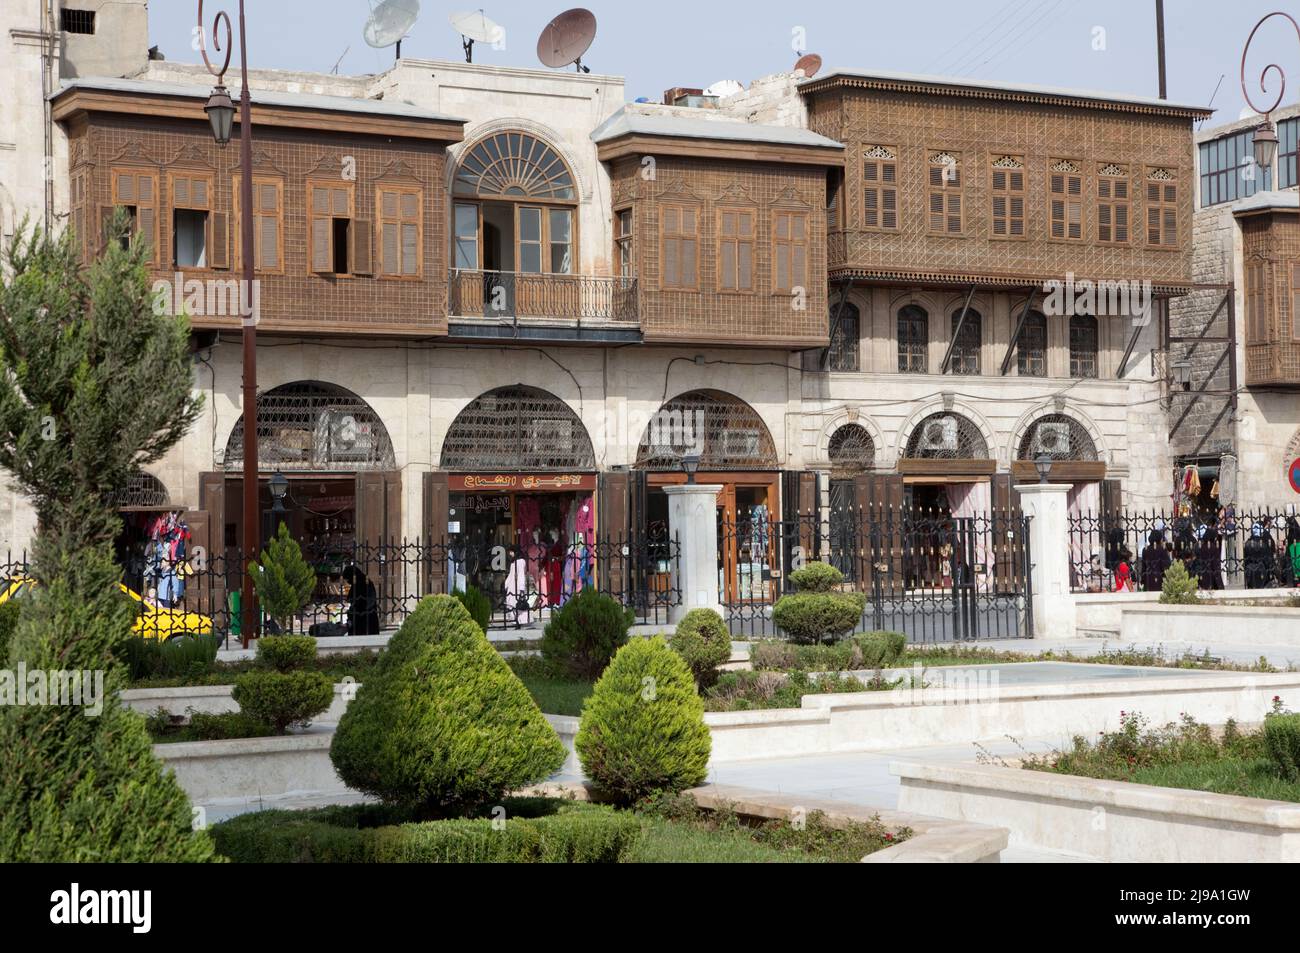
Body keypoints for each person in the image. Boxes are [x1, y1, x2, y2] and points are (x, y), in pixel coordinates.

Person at [342, 565, 380, 635]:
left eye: (348, 579)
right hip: (368, 618)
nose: (347, 582)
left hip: (363, 619)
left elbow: (359, 603)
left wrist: (351, 616)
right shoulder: (362, 582)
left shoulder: (360, 584)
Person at [1243, 524, 1274, 590]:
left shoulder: (1247, 543)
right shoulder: (1263, 544)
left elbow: (1246, 559)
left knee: (1251, 589)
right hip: (1261, 568)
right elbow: (1267, 559)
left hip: (1250, 569)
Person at [1197, 523, 1224, 591]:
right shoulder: (1213, 547)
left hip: (1203, 573)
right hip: (1212, 575)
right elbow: (1215, 564)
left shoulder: (1202, 546)